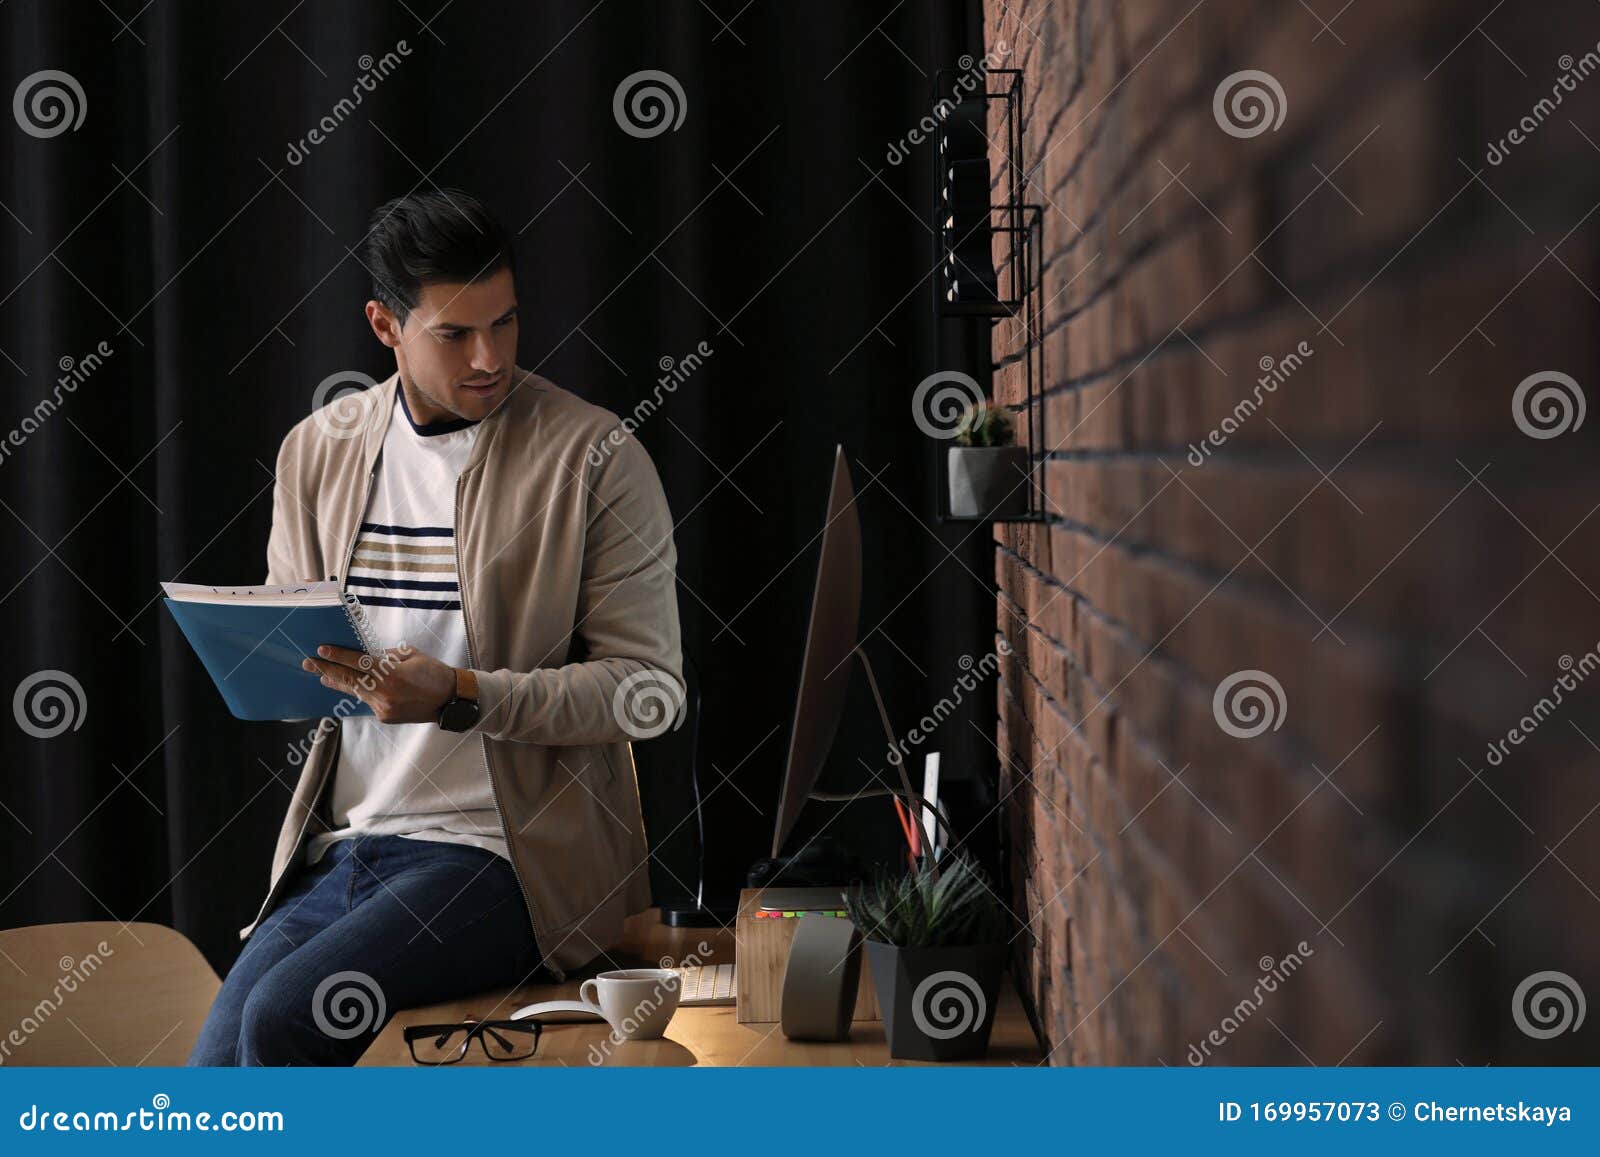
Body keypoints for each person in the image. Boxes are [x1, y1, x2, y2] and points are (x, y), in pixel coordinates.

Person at [187, 188, 684, 1065]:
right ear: (385, 327)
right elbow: (295, 650)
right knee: (218, 1066)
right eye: (455, 335)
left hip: (507, 860)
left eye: (506, 322)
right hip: (345, 844)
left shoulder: (595, 457)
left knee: (284, 1019)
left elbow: (648, 695)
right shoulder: (320, 450)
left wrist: (460, 695)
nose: (490, 357)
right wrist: (263, 662)